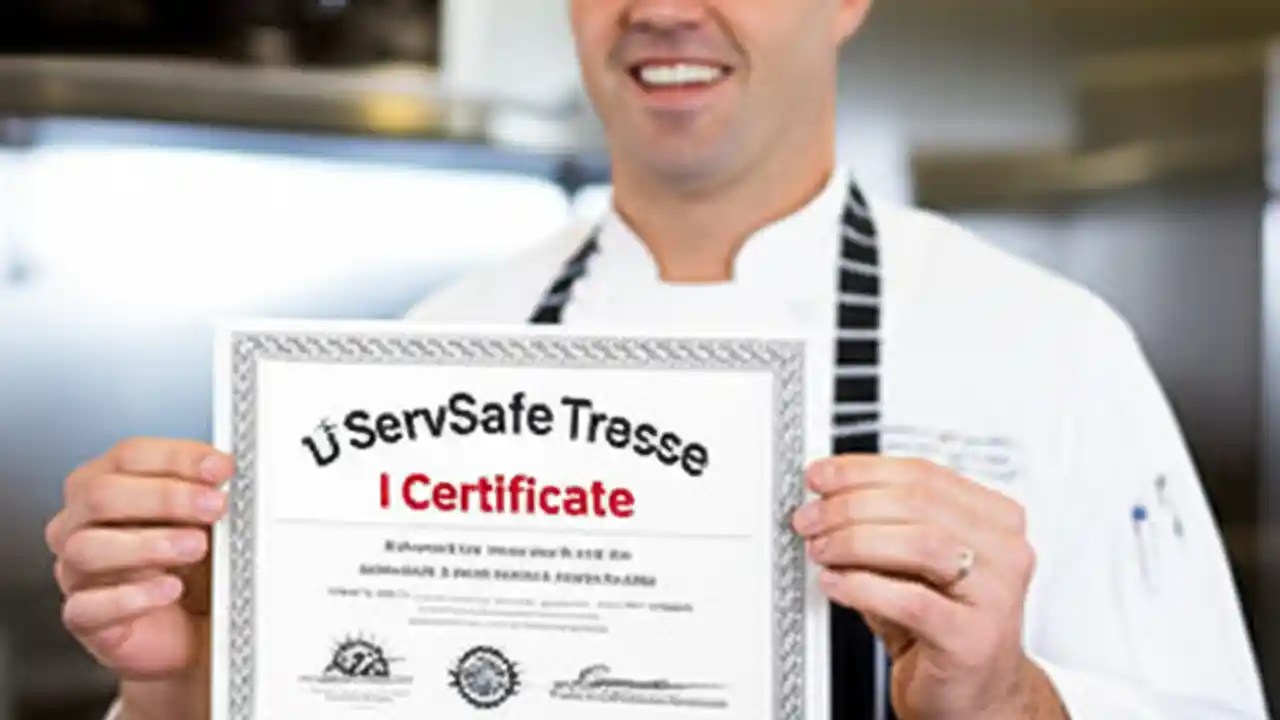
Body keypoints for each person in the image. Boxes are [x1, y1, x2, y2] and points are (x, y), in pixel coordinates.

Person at [45, 1, 1268, 718]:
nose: (663, 7)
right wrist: (192, 685)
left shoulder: (1045, 344)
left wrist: (1002, 697)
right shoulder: (436, 343)